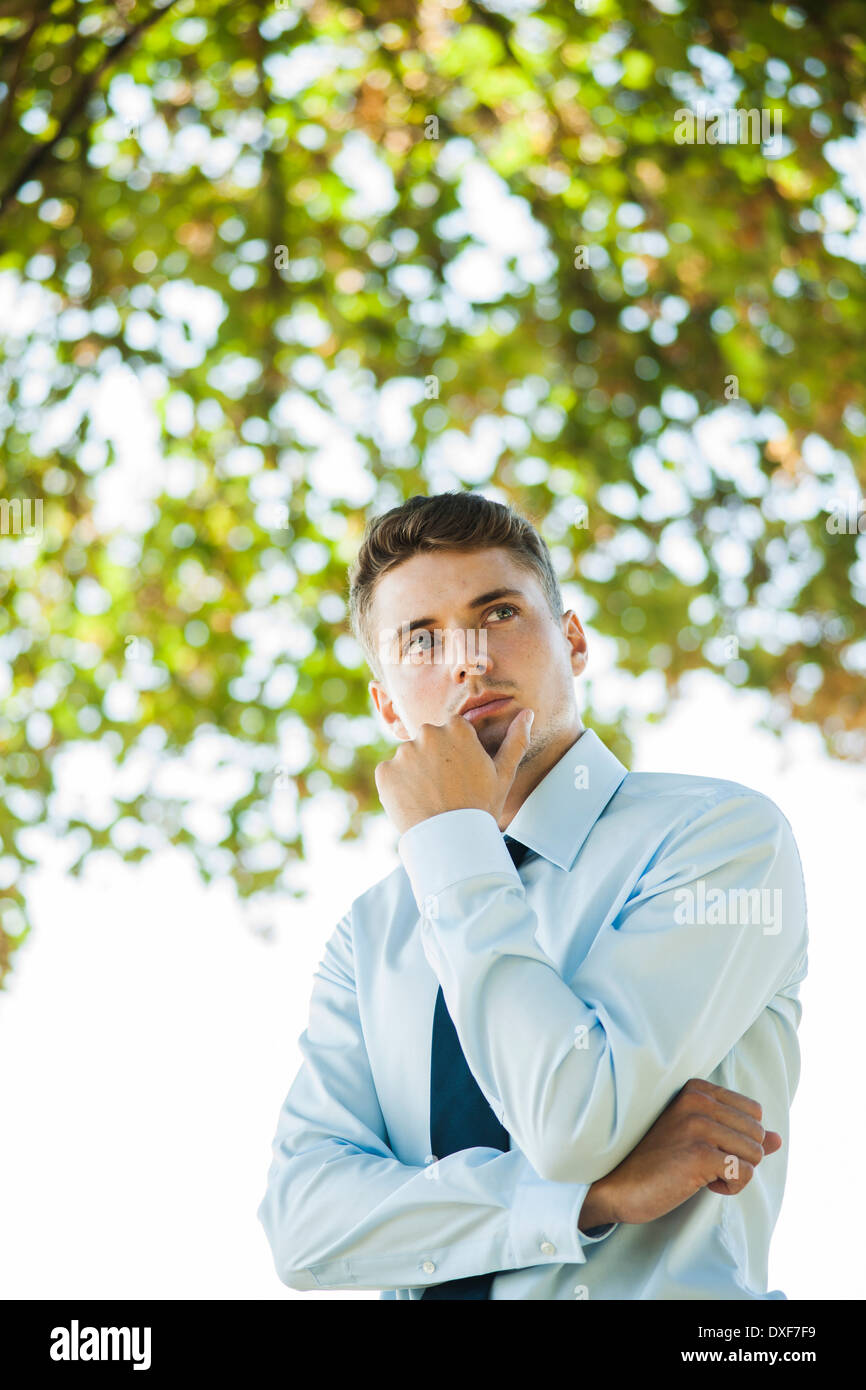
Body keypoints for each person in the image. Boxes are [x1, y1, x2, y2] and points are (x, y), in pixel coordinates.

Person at [257, 491, 808, 1300]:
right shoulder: (372, 932)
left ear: (574, 640)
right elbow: (304, 1227)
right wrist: (589, 1201)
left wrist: (451, 846)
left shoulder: (717, 837)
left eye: (500, 613)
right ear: (385, 705)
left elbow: (574, 1127)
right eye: (423, 639)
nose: (470, 660)